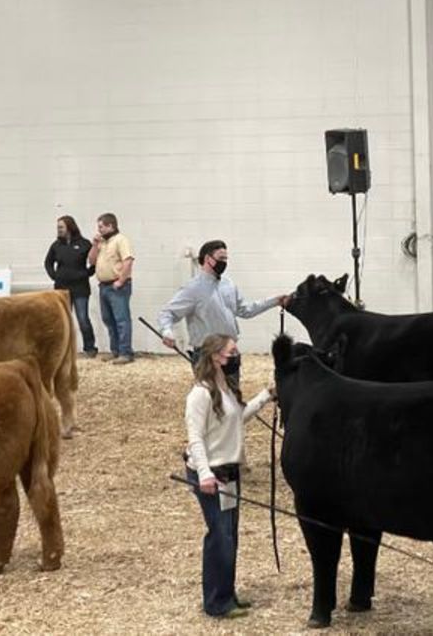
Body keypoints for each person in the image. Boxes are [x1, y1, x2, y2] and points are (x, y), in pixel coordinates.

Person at [184, 334, 276, 619]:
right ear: (215, 356)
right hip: (212, 474)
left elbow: (238, 417)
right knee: (220, 536)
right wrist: (204, 474)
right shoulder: (200, 393)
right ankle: (216, 601)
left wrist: (266, 395)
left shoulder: (226, 388)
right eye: (231, 352)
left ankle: (227, 592)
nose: (236, 356)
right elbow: (195, 438)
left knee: (230, 535)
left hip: (229, 471)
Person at [158, 240, 288, 384]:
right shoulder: (192, 289)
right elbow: (168, 313)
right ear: (207, 259)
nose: (224, 262)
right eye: (221, 259)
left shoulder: (229, 284)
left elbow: (246, 310)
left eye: (226, 259)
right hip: (207, 355)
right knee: (212, 400)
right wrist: (167, 331)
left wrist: (274, 301)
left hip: (230, 352)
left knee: (233, 398)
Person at [44, 215, 97, 359]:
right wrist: (55, 276)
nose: (58, 230)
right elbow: (48, 263)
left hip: (80, 289)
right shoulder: (56, 245)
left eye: (61, 227)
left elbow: (93, 262)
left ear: (70, 227)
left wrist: (85, 274)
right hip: (61, 289)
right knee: (63, 321)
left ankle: (90, 348)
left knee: (83, 319)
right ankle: (65, 351)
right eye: (58, 227)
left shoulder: (84, 243)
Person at [87, 213, 135, 365]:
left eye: (101, 226)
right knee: (108, 319)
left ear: (110, 226)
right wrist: (95, 245)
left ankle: (125, 352)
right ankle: (115, 350)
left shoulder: (121, 240)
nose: (99, 230)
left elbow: (128, 261)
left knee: (121, 320)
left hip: (117, 285)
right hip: (104, 285)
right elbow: (91, 261)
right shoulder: (102, 243)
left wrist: (121, 280)